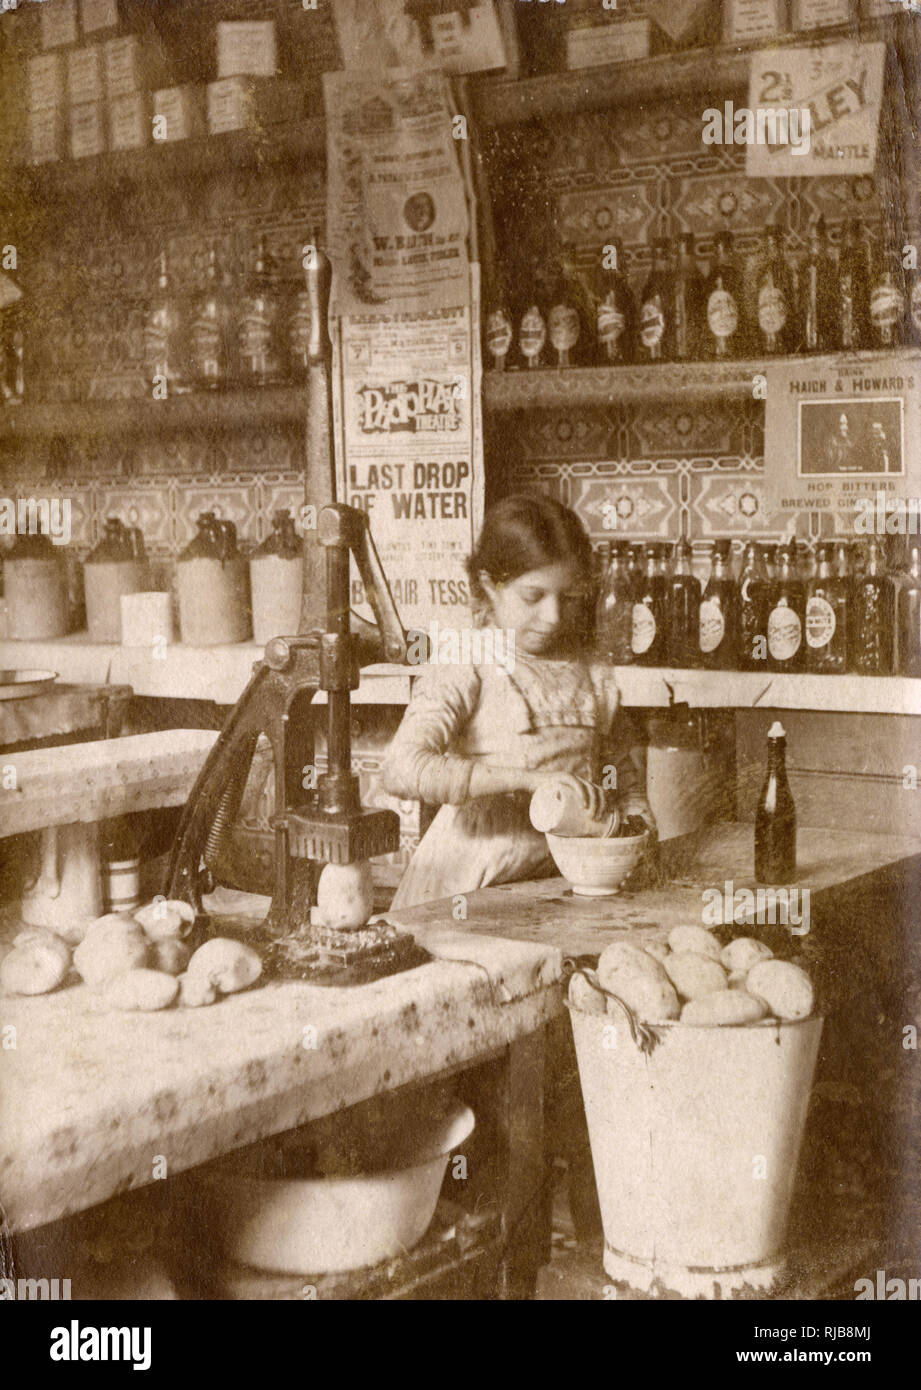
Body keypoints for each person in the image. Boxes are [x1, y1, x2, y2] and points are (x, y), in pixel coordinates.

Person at [382, 494, 656, 910]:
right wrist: (528, 781)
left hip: (558, 886)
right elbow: (401, 769)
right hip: (467, 889)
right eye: (533, 597)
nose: (553, 617)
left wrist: (639, 831)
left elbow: (621, 775)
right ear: (491, 586)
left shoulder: (590, 669)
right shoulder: (467, 659)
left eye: (566, 598)